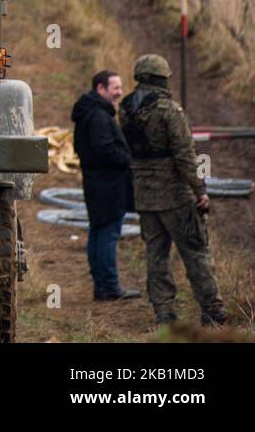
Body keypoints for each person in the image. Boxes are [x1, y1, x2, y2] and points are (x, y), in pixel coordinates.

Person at [120, 53, 227, 327]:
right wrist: (200, 190)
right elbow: (185, 155)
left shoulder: (125, 109)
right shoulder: (169, 110)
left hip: (144, 196)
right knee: (195, 252)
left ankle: (164, 312)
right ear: (162, 78)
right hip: (175, 196)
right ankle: (212, 310)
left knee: (156, 256)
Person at [71, 69, 140, 301]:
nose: (120, 93)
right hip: (108, 186)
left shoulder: (90, 113)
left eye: (121, 87)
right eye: (115, 88)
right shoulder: (99, 117)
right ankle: (109, 286)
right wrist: (129, 160)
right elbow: (105, 149)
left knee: (98, 232)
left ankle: (101, 285)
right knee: (108, 234)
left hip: (97, 182)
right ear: (101, 89)